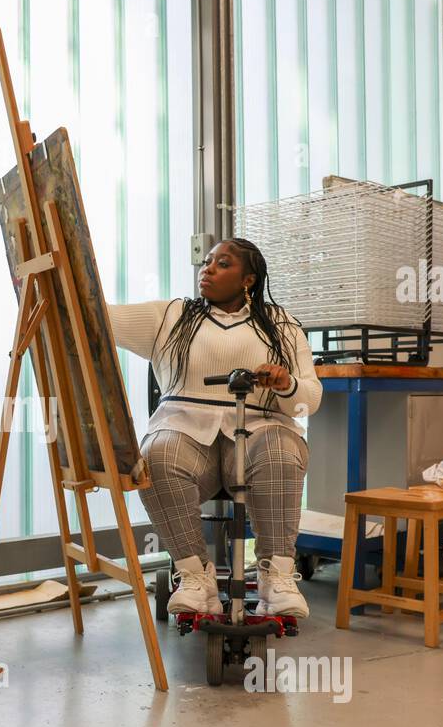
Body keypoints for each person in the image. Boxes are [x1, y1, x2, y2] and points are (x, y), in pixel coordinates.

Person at [107, 238, 320, 619]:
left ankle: (278, 578)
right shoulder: (172, 316)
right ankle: (195, 578)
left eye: (222, 264)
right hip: (187, 433)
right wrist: (63, 284)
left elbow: (309, 401)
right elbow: (95, 315)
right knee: (156, 456)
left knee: (281, 452)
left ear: (248, 280)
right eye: (206, 262)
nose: (207, 269)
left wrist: (286, 384)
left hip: (259, 432)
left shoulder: (281, 326)